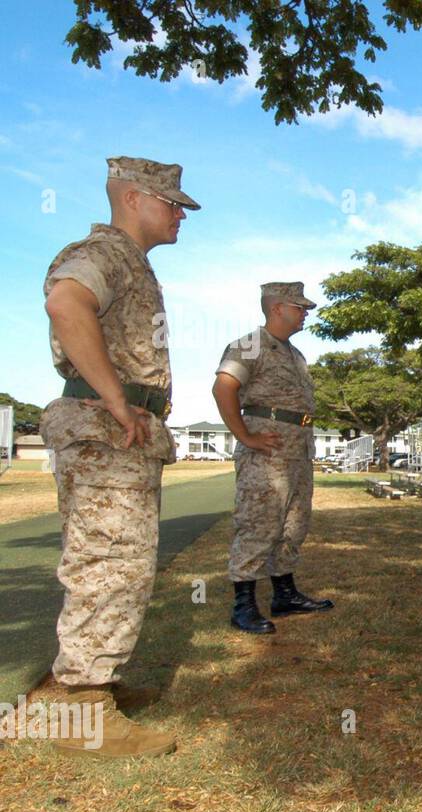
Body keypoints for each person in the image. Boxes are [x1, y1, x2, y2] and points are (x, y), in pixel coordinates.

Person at [31, 156, 201, 758]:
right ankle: (83, 707)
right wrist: (117, 401)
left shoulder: (132, 263)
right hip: (107, 430)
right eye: (172, 202)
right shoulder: (102, 253)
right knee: (109, 560)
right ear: (132, 197)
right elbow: (65, 305)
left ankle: (93, 685)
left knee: (119, 560)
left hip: (118, 432)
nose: (181, 214)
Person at [215, 282, 334, 634]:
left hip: (298, 451)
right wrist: (245, 436)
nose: (305, 313)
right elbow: (224, 387)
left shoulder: (295, 354)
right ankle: (243, 605)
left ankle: (284, 594)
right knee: (258, 523)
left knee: (294, 524)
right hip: (266, 451)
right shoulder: (251, 344)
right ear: (278, 307)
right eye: (299, 307)